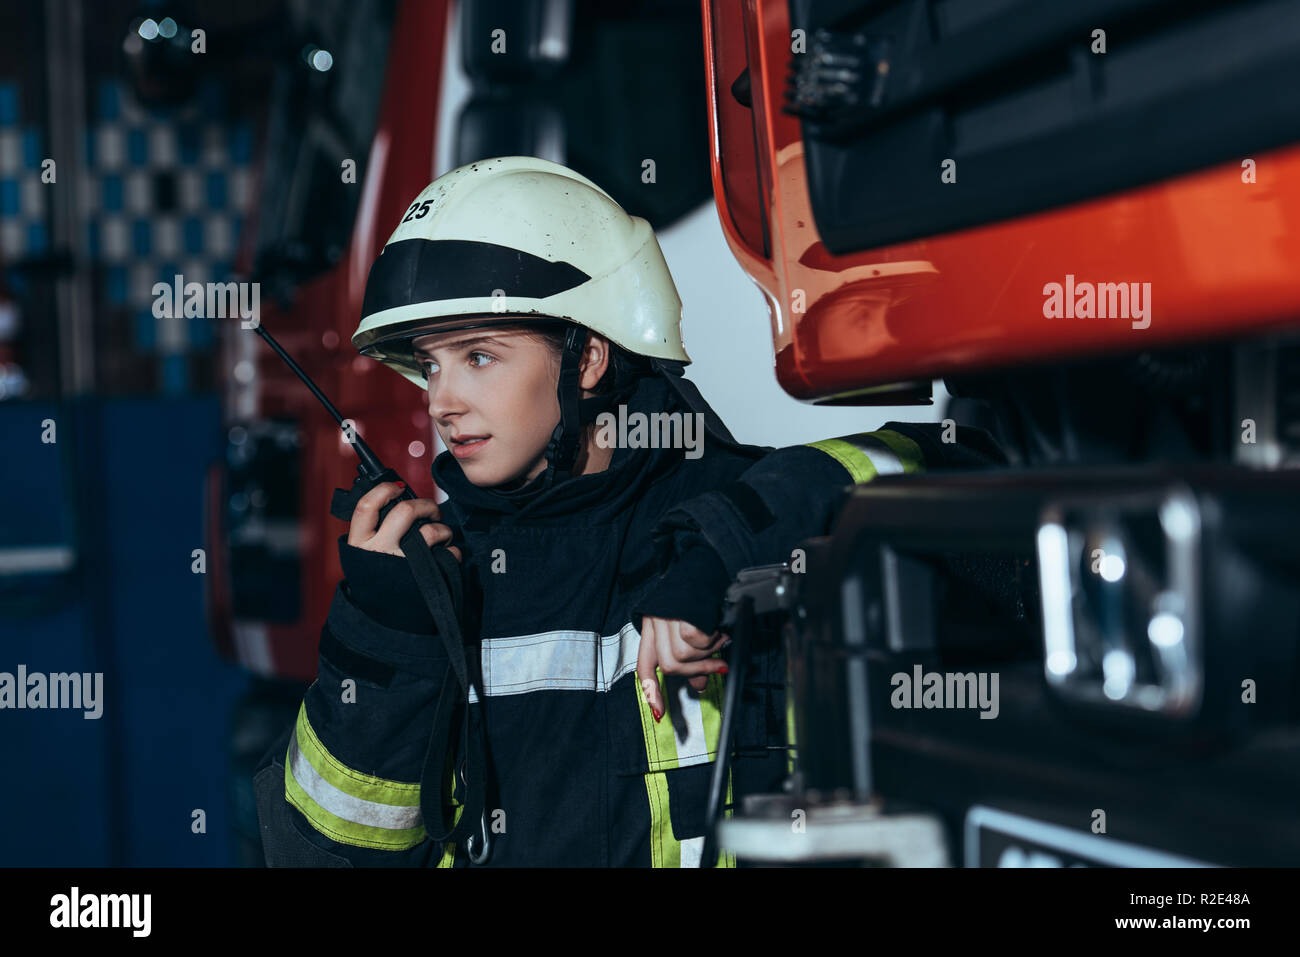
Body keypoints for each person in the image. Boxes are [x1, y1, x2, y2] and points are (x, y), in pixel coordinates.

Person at [252, 156, 1001, 867]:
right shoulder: (438, 578)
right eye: (431, 362)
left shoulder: (731, 508)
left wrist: (724, 553)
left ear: (587, 358)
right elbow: (325, 855)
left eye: (478, 355)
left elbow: (959, 465)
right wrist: (386, 636)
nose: (442, 401)